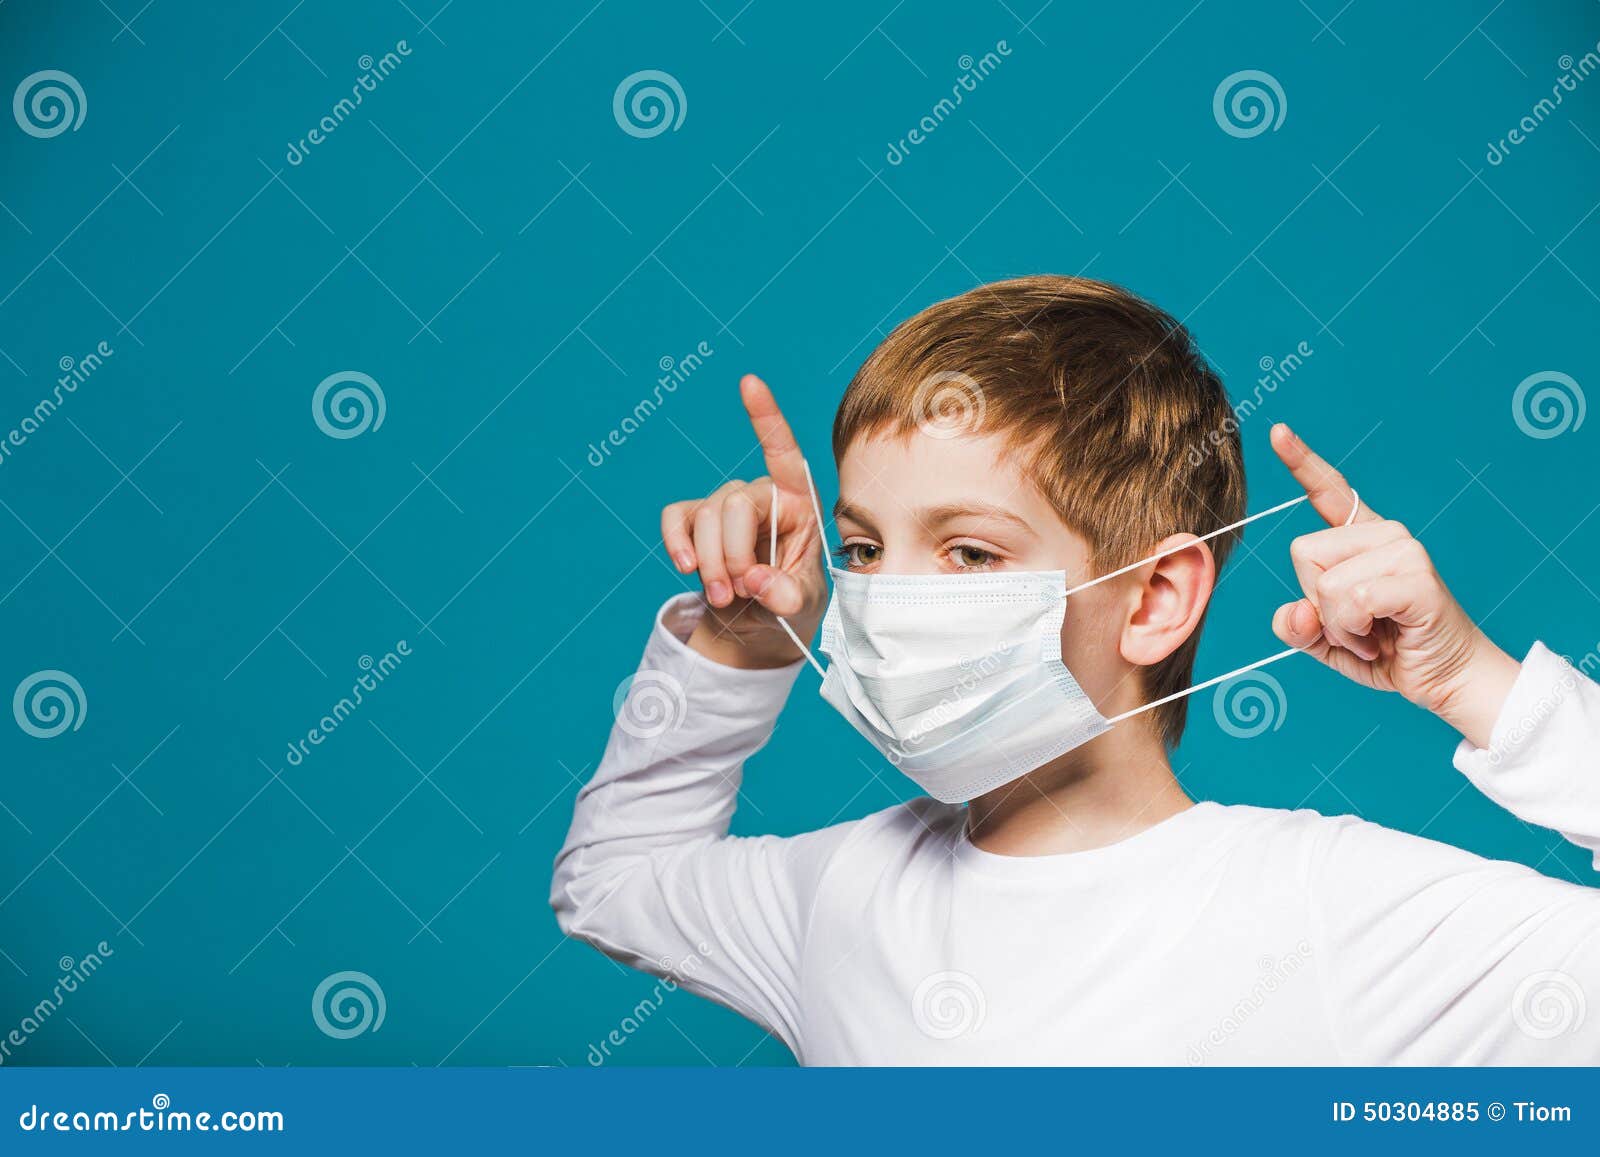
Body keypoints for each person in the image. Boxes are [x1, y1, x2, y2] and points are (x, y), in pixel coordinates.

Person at [551, 276, 1599, 1064]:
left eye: (968, 551)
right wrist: (734, 641)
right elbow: (612, 881)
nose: (886, 598)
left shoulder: (1324, 909)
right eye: (865, 549)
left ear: (1152, 599)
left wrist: (1477, 683)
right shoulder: (842, 895)